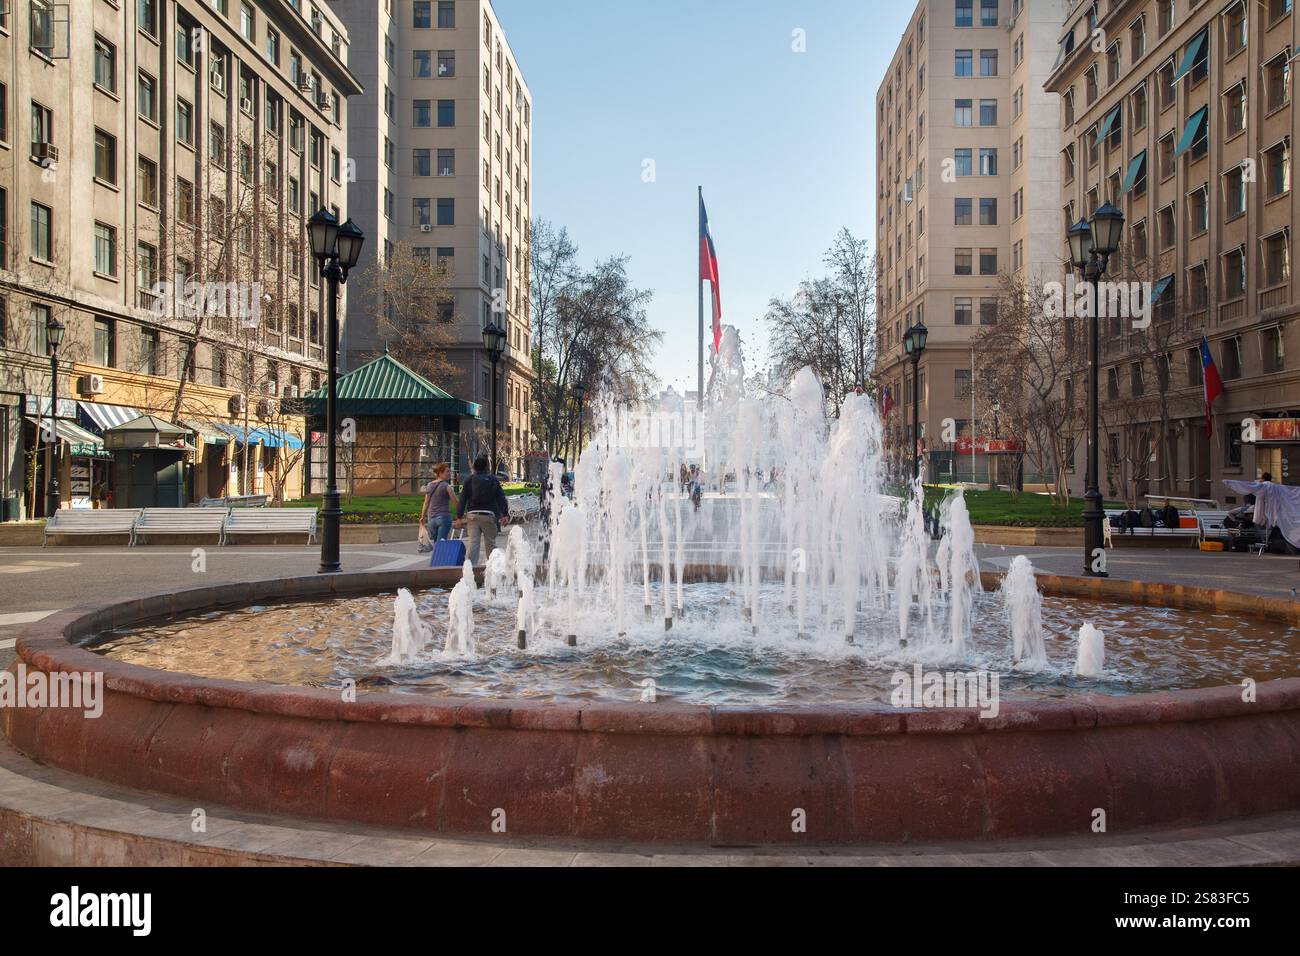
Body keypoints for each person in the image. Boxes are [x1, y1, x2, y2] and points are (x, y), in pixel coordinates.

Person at [455, 456, 509, 563]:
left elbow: (463, 499)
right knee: (490, 543)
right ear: (486, 467)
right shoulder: (493, 479)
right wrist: (505, 514)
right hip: (488, 515)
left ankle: (471, 569)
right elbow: (501, 498)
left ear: (474, 467)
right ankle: (493, 567)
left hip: (472, 515)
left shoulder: (469, 480)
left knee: (473, 544)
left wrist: (459, 517)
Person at [417, 462, 458, 552]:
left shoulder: (429, 485)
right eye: (447, 471)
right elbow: (455, 502)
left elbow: (426, 502)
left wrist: (422, 516)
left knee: (437, 543)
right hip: (444, 518)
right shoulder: (447, 487)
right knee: (441, 544)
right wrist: (461, 514)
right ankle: (438, 562)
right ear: (440, 473)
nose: (449, 473)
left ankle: (436, 562)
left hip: (431, 518)